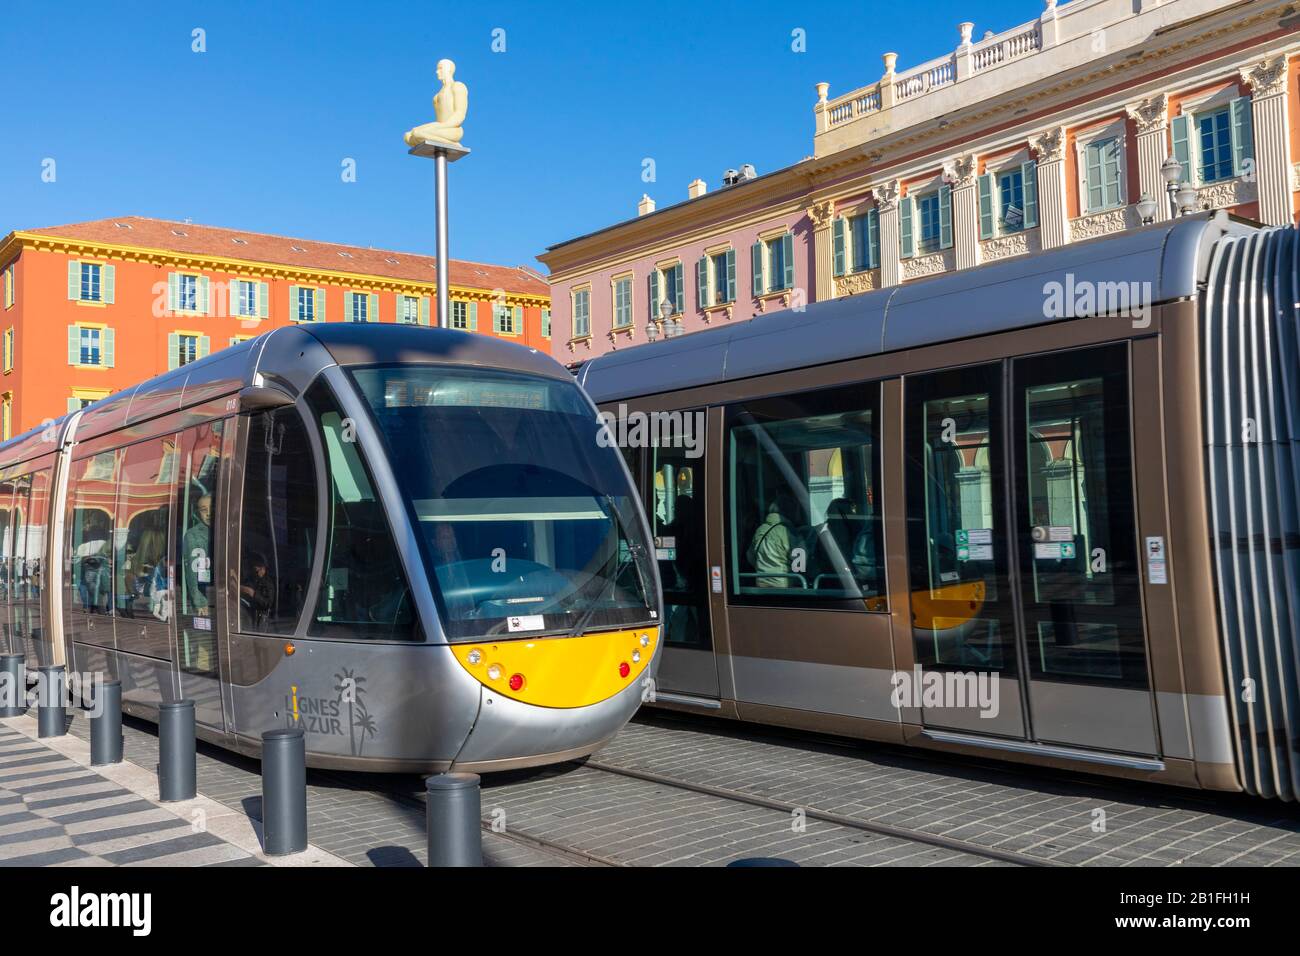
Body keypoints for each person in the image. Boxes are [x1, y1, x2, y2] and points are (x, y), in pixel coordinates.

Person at [747, 493, 797, 589]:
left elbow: (750, 557)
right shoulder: (787, 532)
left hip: (761, 584)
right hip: (784, 585)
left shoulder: (760, 530)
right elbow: (800, 564)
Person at [240, 553, 275, 629]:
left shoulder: (268, 583)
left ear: (263, 569)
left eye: (257, 569)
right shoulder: (251, 579)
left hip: (260, 619)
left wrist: (253, 593)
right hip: (249, 616)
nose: (255, 571)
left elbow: (267, 603)